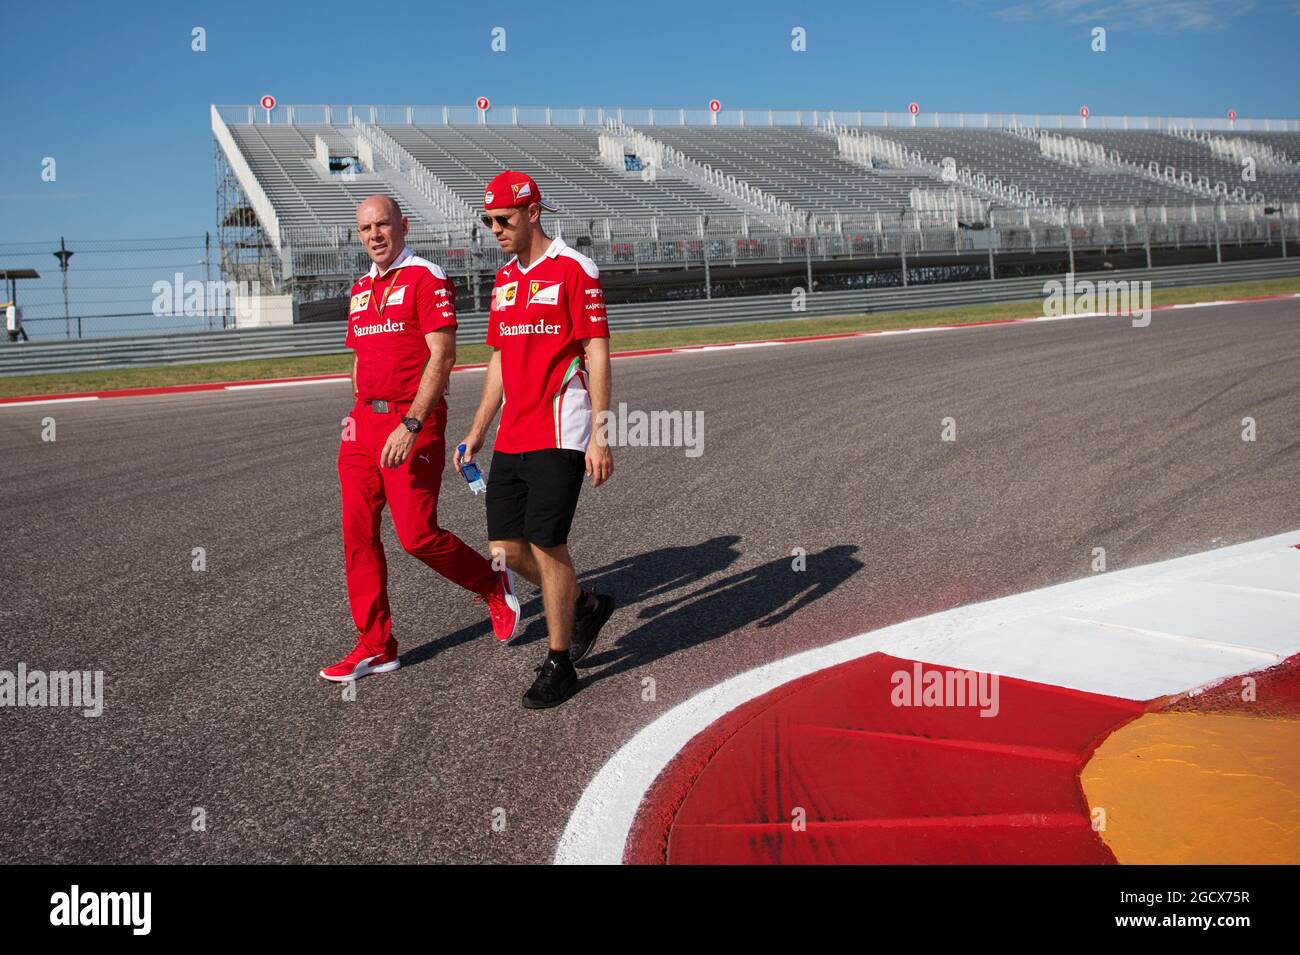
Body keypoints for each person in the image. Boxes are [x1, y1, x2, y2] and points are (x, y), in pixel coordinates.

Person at [321, 195, 519, 682]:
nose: (374, 235)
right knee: (357, 537)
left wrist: (410, 423)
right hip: (362, 425)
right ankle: (377, 645)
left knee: (416, 536)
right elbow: (359, 360)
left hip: (413, 421)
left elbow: (443, 356)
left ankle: (492, 584)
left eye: (382, 225)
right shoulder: (360, 289)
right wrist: (357, 412)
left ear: (403, 226)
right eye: (365, 228)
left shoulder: (426, 278)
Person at [455, 171, 616, 709]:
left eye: (504, 219)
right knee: (504, 549)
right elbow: (498, 360)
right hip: (513, 431)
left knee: (548, 543)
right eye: (489, 221)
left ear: (534, 213)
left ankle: (559, 660)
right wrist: (477, 430)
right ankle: (585, 604)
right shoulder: (503, 280)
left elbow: (596, 352)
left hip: (563, 426)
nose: (496, 229)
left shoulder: (576, 269)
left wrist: (600, 434)